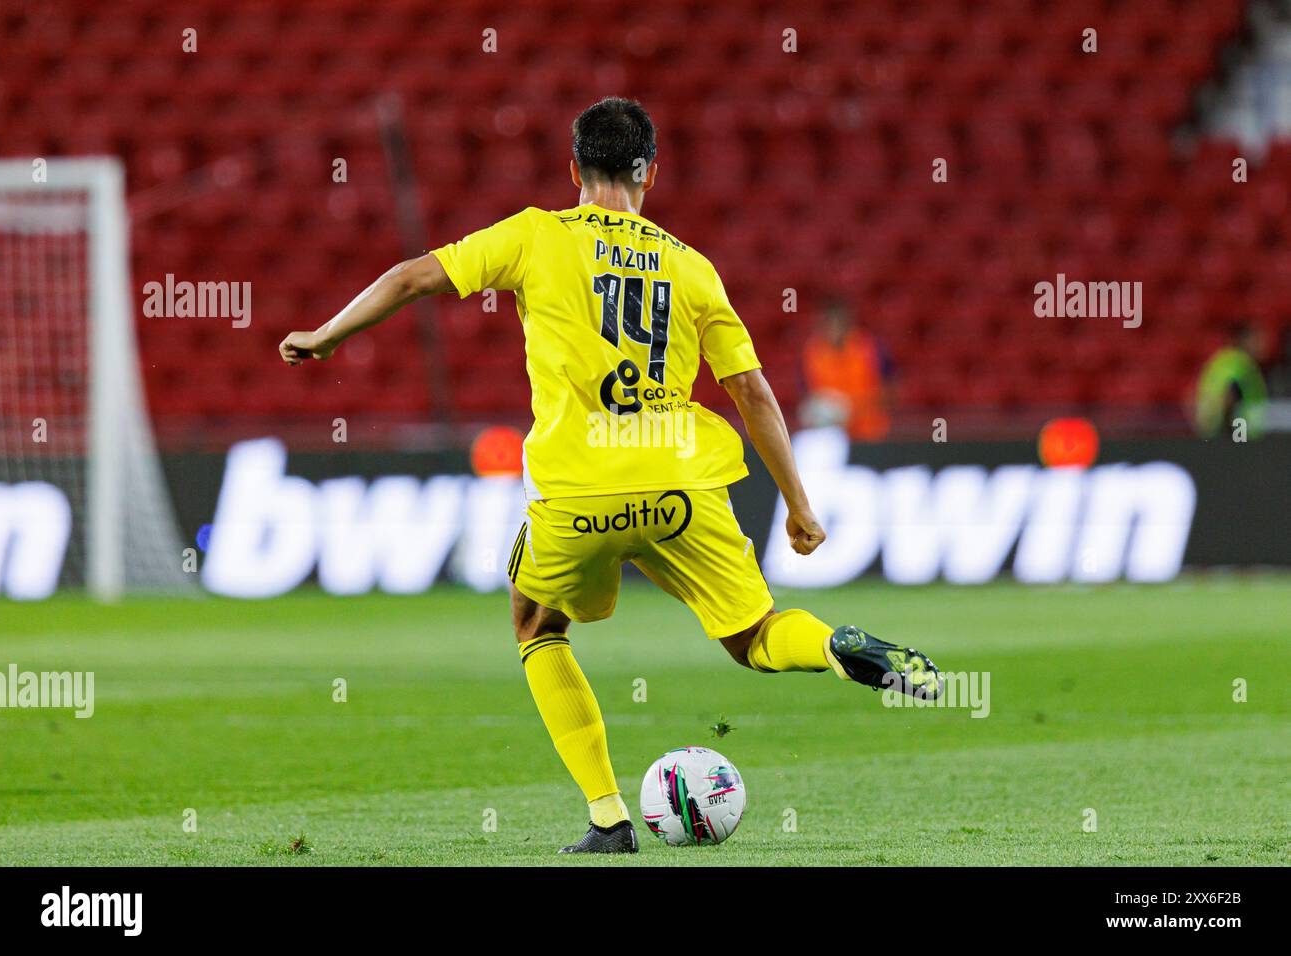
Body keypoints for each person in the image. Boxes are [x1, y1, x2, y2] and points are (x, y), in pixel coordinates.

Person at [279, 97, 941, 854]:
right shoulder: (691, 266)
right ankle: (833, 648)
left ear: (573, 169)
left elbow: (413, 278)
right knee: (756, 635)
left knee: (536, 623)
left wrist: (328, 336)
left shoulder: (534, 233)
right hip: (680, 483)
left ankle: (608, 818)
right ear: (652, 172)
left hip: (578, 486)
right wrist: (798, 505)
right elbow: (752, 391)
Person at [800, 299, 894, 440]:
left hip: (870, 434)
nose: (835, 329)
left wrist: (853, 408)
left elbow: (891, 390)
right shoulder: (812, 352)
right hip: (831, 437)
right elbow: (808, 396)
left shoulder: (870, 347)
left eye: (839, 323)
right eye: (830, 323)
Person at [1194, 323, 1268, 439]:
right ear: (1243, 341)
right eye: (1255, 341)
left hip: (1213, 432)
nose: (1260, 345)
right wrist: (1238, 436)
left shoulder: (1221, 360)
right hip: (1235, 434)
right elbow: (1229, 397)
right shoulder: (1240, 363)